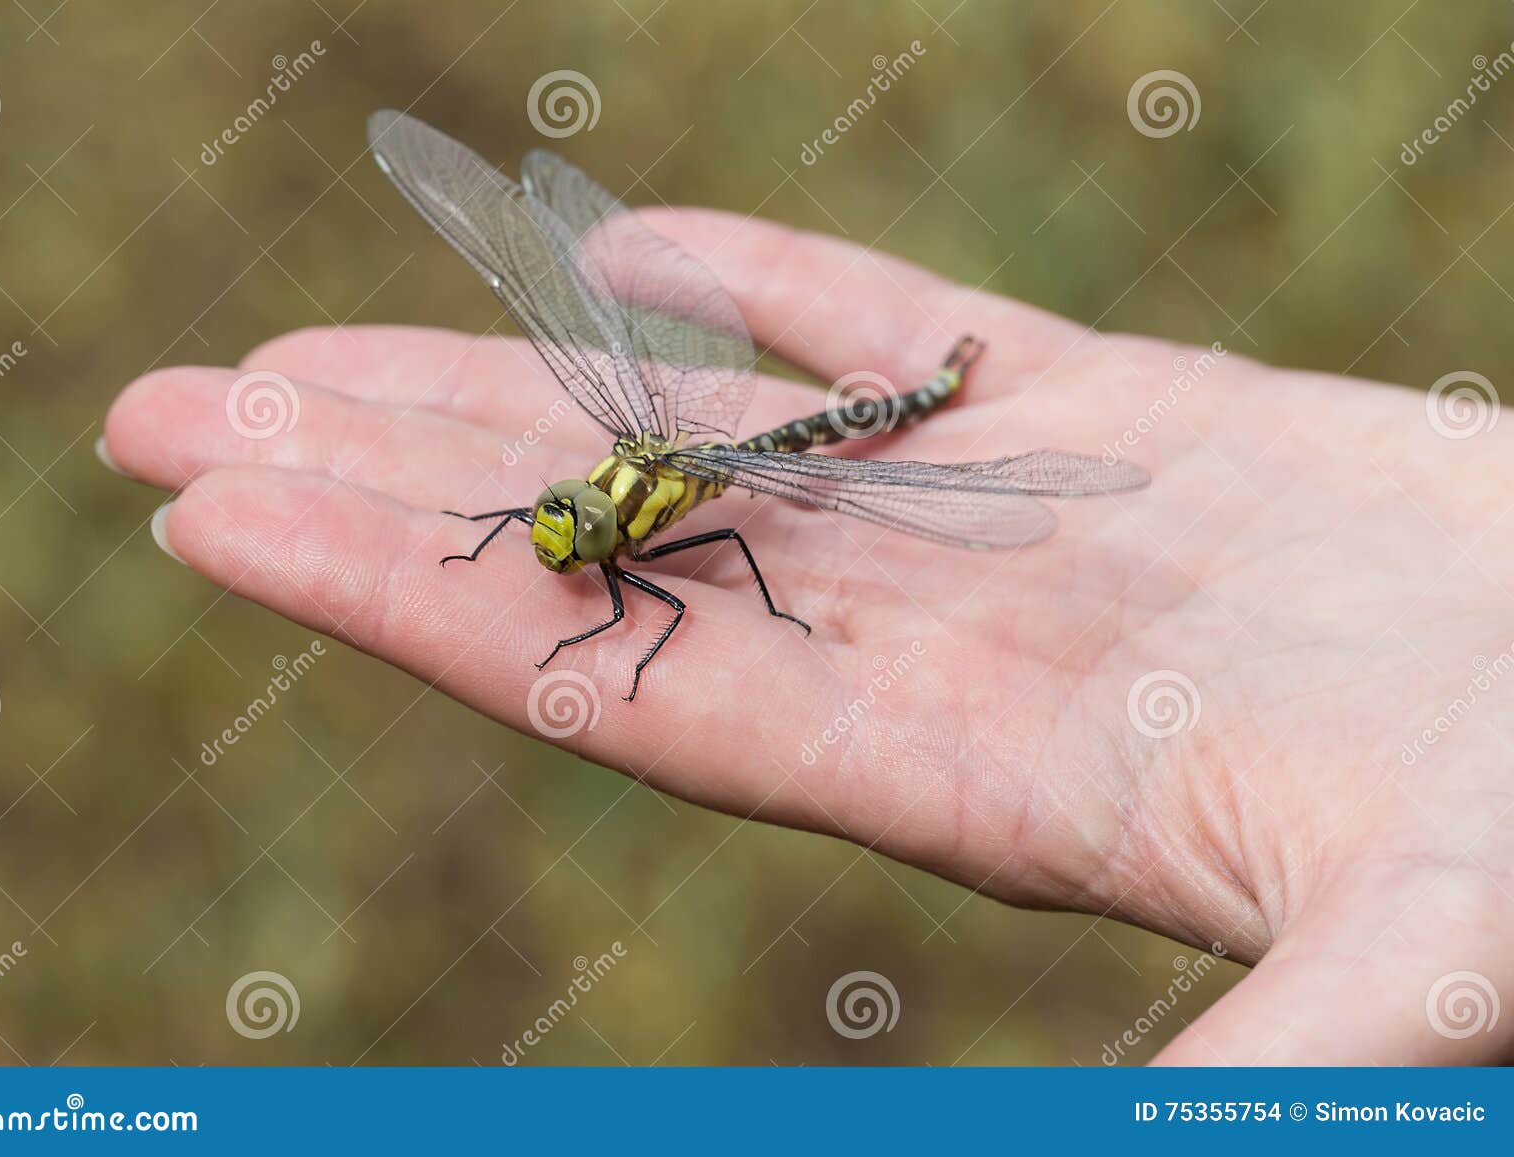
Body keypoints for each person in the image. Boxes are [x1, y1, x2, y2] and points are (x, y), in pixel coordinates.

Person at [98, 208, 1514, 1066]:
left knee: (739, 553)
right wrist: (500, 526)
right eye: (564, 527)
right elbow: (537, 514)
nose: (567, 542)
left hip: (825, 431)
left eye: (574, 532)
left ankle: (940, 385)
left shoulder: (661, 533)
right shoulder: (577, 495)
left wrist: (648, 647)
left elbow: (682, 576)